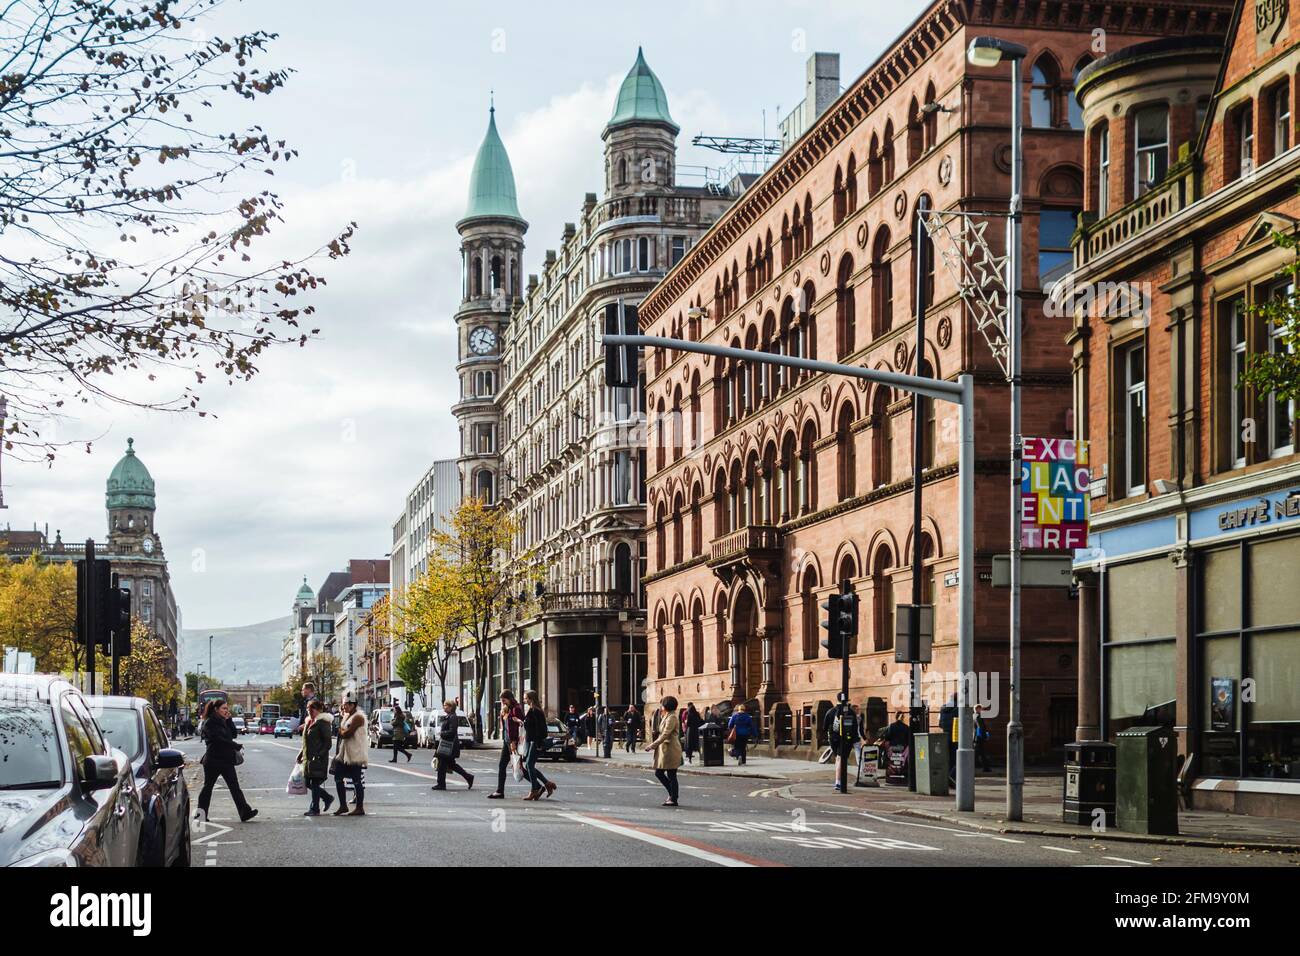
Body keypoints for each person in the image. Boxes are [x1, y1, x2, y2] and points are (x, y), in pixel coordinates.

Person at [196, 699, 257, 823]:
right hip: (213, 760)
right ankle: (200, 815)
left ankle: (244, 812)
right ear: (216, 709)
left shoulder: (223, 721)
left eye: (227, 709)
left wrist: (229, 720)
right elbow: (218, 739)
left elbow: (233, 734)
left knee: (235, 787)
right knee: (207, 788)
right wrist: (235, 746)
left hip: (226, 760)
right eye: (224, 708)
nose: (226, 711)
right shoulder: (209, 723)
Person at [332, 695, 368, 816]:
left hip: (355, 753)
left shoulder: (358, 717)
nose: (344, 706)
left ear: (353, 705)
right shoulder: (347, 716)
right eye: (343, 704)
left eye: (346, 704)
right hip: (345, 754)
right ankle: (343, 805)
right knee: (338, 777)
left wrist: (341, 731)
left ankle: (359, 807)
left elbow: (347, 733)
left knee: (356, 780)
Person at [298, 699, 334, 815]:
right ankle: (327, 798)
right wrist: (300, 754)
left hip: (318, 759)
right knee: (308, 782)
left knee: (314, 782)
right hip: (308, 758)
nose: (309, 712)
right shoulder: (309, 722)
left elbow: (327, 742)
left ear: (319, 709)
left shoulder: (323, 722)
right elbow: (306, 742)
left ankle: (315, 808)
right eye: (308, 709)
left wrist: (319, 755)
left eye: (312, 709)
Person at [647, 695, 683, 807]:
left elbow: (665, 734)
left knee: (670, 774)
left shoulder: (672, 717)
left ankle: (673, 797)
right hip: (665, 750)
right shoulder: (667, 715)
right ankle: (672, 795)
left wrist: (652, 745)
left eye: (662, 704)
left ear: (666, 705)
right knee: (661, 773)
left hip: (670, 749)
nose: (661, 706)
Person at [432, 699, 475, 791]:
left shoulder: (453, 717)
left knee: (442, 765)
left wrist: (442, 733)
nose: (444, 707)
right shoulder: (449, 716)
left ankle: (441, 784)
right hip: (447, 744)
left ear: (451, 707)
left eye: (445, 705)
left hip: (449, 746)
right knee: (451, 765)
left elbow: (452, 731)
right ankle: (468, 777)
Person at [521, 690, 556, 800]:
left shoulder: (535, 711)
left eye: (526, 698)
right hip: (532, 741)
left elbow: (540, 729)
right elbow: (530, 726)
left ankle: (534, 790)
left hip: (534, 742)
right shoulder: (534, 710)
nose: (524, 700)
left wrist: (537, 743)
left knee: (529, 765)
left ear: (531, 699)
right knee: (528, 765)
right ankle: (547, 784)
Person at [488, 690, 524, 799]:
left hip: (512, 741)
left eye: (504, 700)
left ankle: (539, 785)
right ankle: (500, 791)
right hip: (507, 740)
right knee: (504, 765)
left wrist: (513, 742)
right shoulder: (508, 708)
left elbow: (517, 726)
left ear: (509, 698)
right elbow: (506, 726)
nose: (502, 702)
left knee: (518, 766)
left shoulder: (516, 709)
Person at [974, 704, 992, 772]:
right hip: (979, 738)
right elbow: (980, 728)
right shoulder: (978, 716)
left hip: (976, 737)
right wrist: (985, 736)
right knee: (981, 753)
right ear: (978, 709)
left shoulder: (974, 716)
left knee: (980, 753)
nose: (982, 710)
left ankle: (986, 768)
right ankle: (986, 768)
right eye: (981, 709)